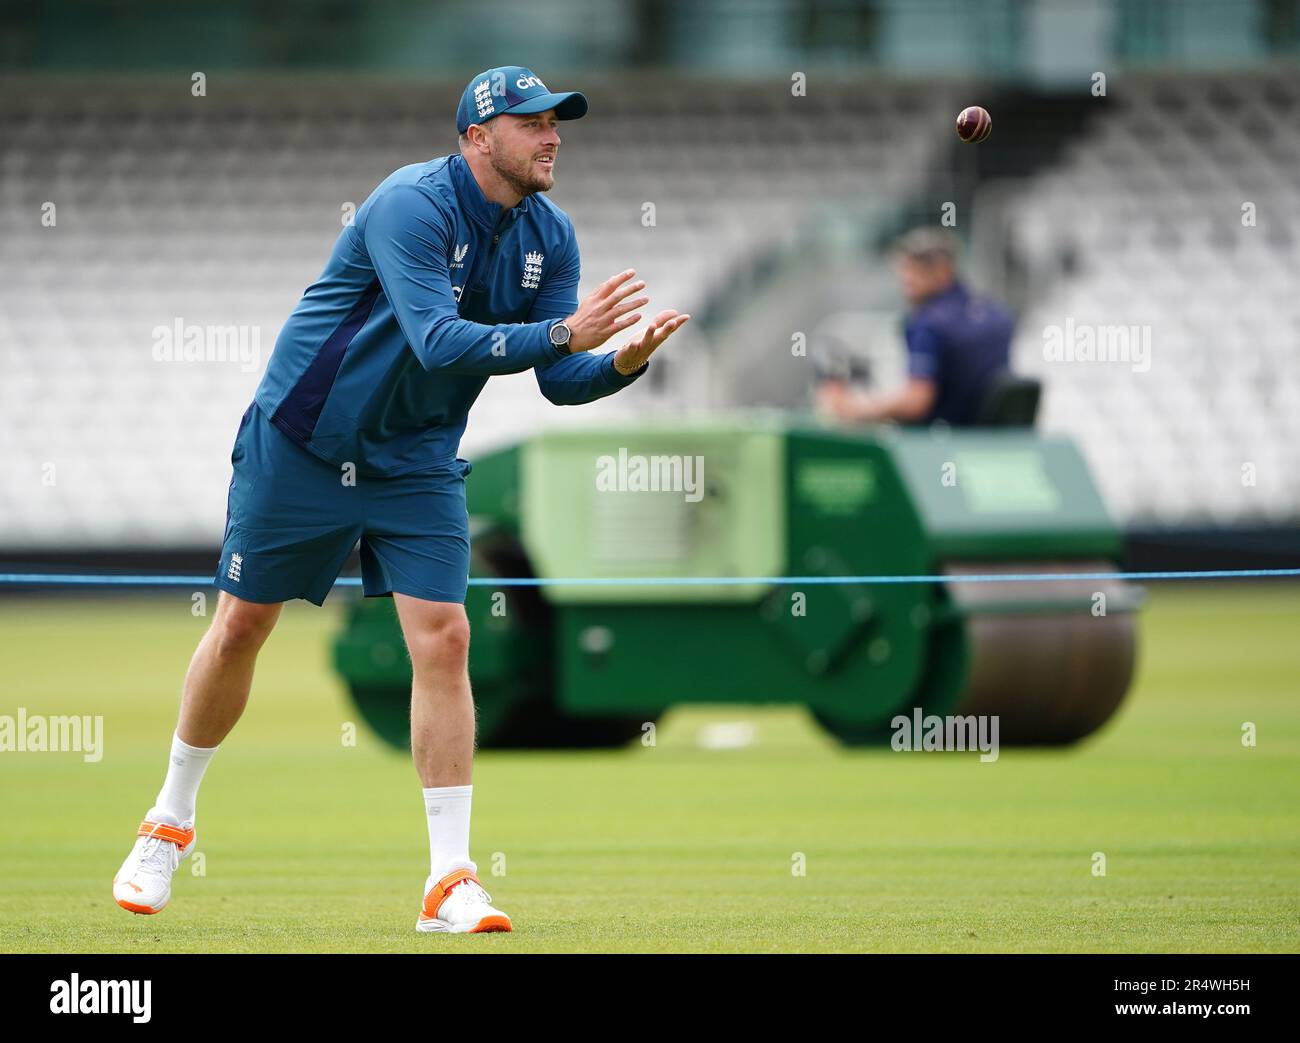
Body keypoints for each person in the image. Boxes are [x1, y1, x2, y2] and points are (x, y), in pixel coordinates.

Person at [112, 66, 690, 934]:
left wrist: (619, 359)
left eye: (556, 121)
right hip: (304, 442)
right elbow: (438, 339)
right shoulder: (409, 203)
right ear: (476, 138)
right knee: (241, 626)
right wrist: (566, 332)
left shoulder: (552, 235)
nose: (553, 135)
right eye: (530, 122)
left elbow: (559, 380)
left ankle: (449, 879)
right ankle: (168, 818)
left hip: (415, 459)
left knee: (447, 635)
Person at [816, 228, 1014, 427]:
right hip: (990, 443)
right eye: (903, 272)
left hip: (940, 443)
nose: (905, 282)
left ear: (942, 271)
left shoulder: (929, 325)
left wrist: (851, 408)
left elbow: (916, 402)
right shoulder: (997, 314)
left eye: (914, 272)